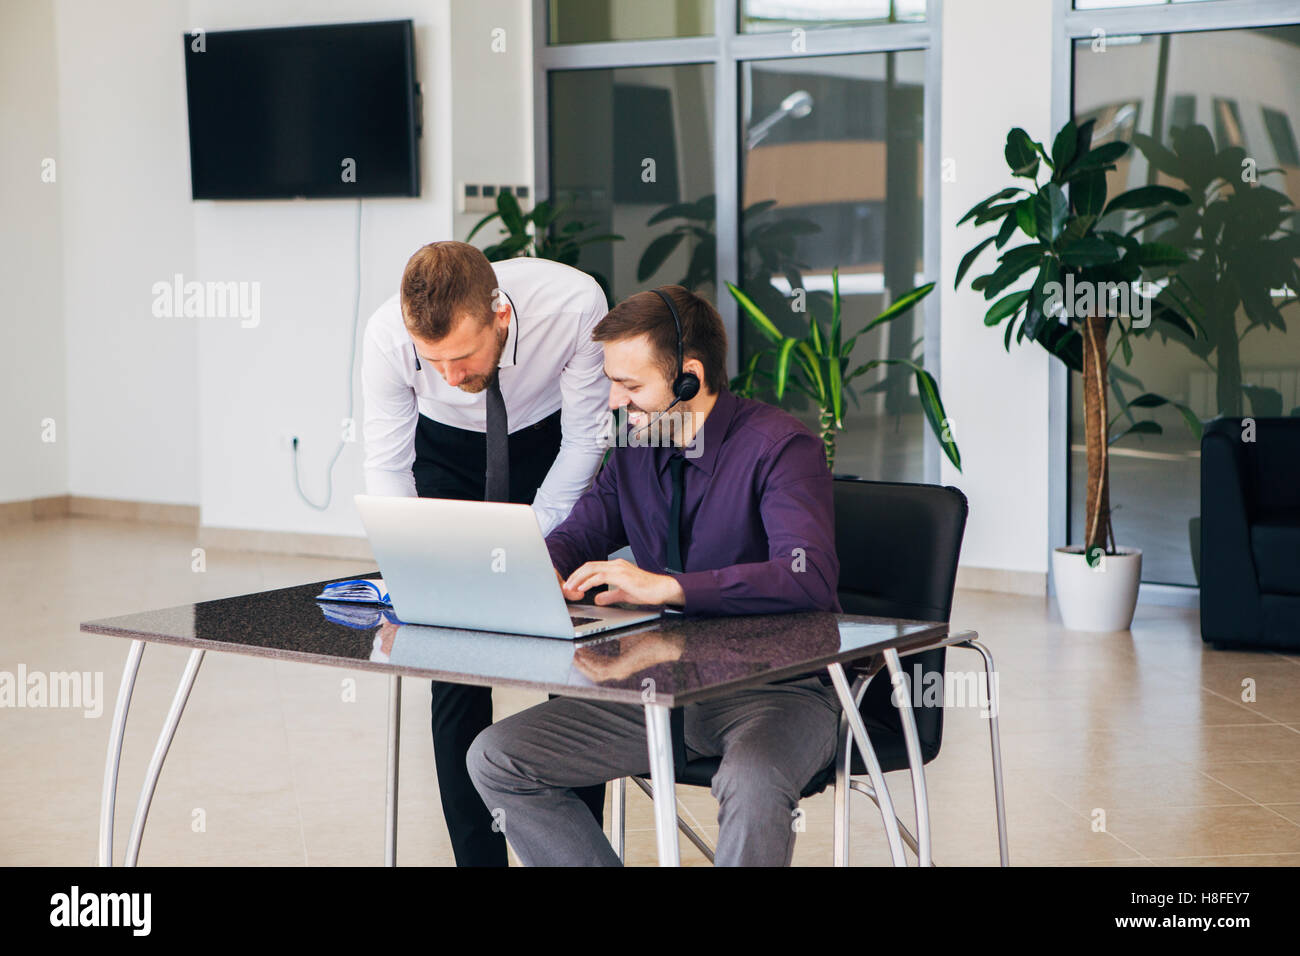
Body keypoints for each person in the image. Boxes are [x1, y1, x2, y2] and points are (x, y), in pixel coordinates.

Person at [466, 285, 842, 866]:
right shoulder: (639, 446)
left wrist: (671, 588)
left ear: (689, 376)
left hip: (773, 693)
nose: (615, 401)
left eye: (632, 385)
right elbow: (577, 534)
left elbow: (809, 575)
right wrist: (519, 571)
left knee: (753, 780)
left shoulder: (780, 447)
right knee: (498, 757)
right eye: (613, 382)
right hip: (657, 688)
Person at [361, 240, 609, 866]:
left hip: (548, 448)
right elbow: (388, 466)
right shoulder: (386, 337)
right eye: (433, 360)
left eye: (463, 355)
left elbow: (586, 437)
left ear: (499, 316)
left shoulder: (574, 306)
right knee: (455, 665)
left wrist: (541, 544)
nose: (451, 375)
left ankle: (569, 856)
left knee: (574, 650)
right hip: (445, 452)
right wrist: (411, 568)